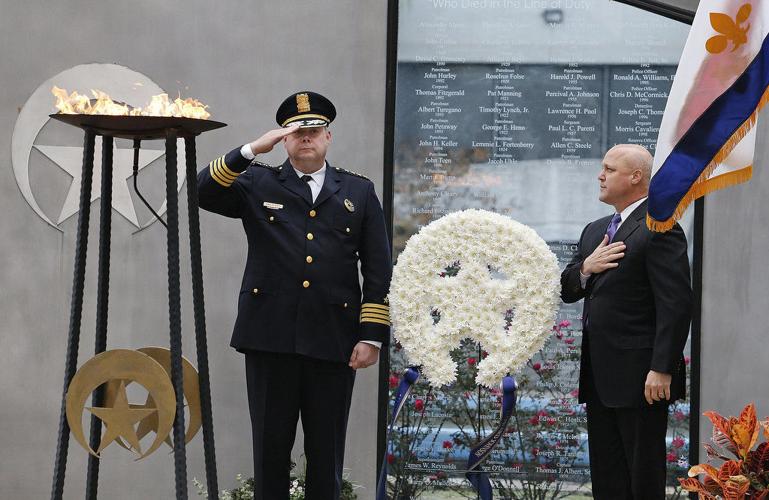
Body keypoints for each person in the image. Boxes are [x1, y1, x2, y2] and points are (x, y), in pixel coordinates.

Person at [197, 91, 391, 499]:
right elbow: (202, 192)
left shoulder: (358, 190)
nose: (307, 137)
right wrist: (251, 149)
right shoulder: (257, 181)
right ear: (284, 139)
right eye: (297, 131)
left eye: (314, 130)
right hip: (269, 338)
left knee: (326, 454)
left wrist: (371, 335)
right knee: (270, 452)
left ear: (328, 137)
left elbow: (378, 267)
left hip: (333, 341)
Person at [561, 144, 692, 498]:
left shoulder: (659, 226)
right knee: (608, 479)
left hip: (642, 379)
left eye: (609, 169)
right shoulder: (595, 230)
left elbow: (676, 303)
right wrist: (587, 268)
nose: (600, 176)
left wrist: (662, 367)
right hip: (600, 378)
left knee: (642, 478)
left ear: (636, 177)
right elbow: (568, 288)